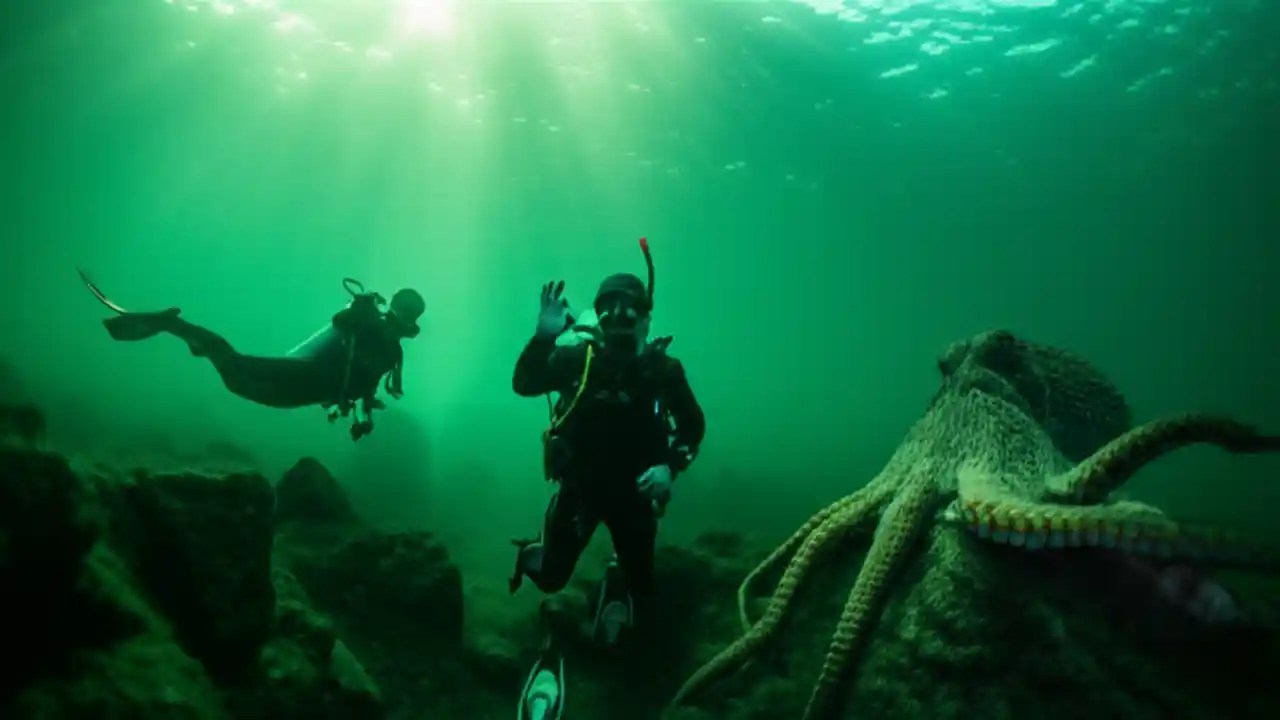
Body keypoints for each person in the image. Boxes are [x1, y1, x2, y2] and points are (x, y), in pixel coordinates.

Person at [508, 238, 706, 720]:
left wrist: (669, 468)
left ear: (645, 314)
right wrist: (543, 337)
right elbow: (525, 384)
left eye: (630, 307)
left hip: (636, 498)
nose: (619, 317)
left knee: (643, 590)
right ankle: (537, 549)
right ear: (598, 316)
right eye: (609, 308)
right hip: (581, 492)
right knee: (551, 580)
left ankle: (617, 577)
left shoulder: (664, 370)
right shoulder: (577, 359)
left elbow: (693, 426)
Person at [78, 271, 423, 441]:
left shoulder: (391, 352)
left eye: (409, 316)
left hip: (302, 393)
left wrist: (365, 420)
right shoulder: (366, 322)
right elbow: (340, 321)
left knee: (235, 378)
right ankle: (173, 324)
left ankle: (176, 327)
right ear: (393, 309)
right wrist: (366, 314)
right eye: (401, 311)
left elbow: (368, 388)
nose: (402, 321)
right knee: (236, 368)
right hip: (304, 373)